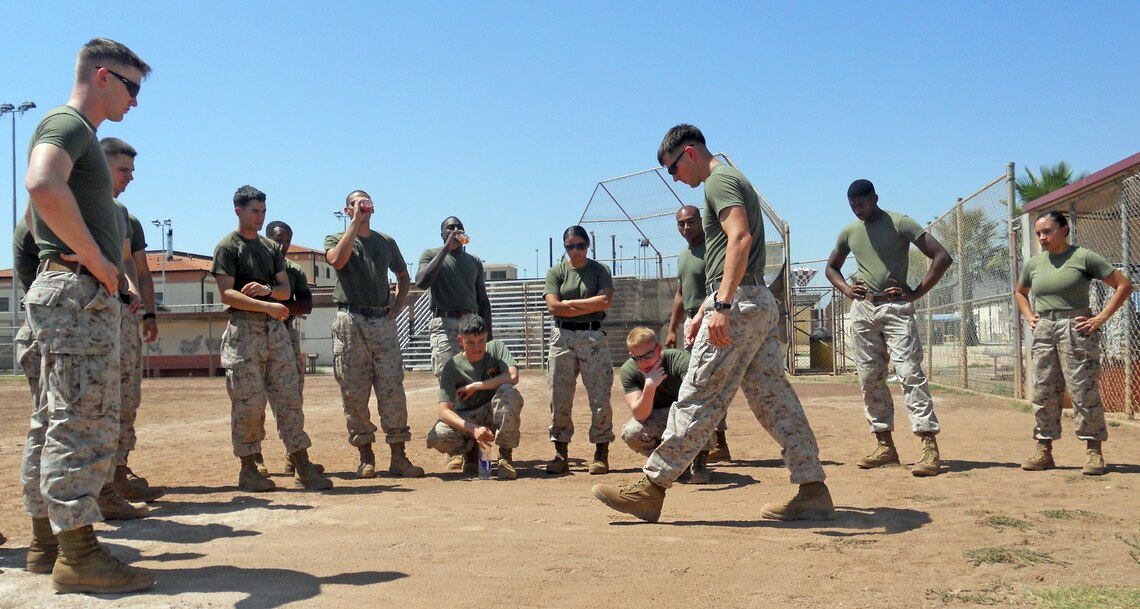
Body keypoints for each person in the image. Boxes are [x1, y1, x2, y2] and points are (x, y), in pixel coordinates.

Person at [592, 124, 833, 523]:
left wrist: (721, 305)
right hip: (753, 302)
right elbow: (728, 257)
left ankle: (651, 488)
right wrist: (707, 306)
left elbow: (739, 239)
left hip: (737, 307)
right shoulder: (731, 179)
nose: (674, 178)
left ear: (689, 153)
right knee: (774, 398)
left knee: (698, 393)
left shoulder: (717, 181)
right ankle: (813, 487)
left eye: (672, 168)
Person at [20, 37, 154, 593]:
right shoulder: (70, 124)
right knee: (82, 421)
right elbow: (41, 185)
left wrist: (80, 259)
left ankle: (45, 542)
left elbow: (38, 208)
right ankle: (77, 554)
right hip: (76, 296)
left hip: (70, 291)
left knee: (53, 420)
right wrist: (99, 262)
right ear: (103, 76)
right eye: (132, 87)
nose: (136, 101)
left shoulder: (81, 134)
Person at [825, 179, 952, 477]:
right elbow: (831, 267)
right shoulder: (850, 232)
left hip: (895, 308)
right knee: (870, 378)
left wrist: (916, 292)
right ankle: (885, 446)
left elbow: (942, 256)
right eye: (853, 206)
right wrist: (846, 289)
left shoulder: (900, 223)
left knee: (909, 374)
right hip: (863, 310)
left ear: (875, 198)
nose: (858, 210)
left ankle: (929, 448)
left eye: (862, 204)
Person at [212, 185, 332, 493]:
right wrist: (269, 305)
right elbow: (227, 294)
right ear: (238, 211)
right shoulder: (228, 247)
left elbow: (282, 289)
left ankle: (301, 464)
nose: (259, 216)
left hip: (275, 332)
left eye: (263, 211)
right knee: (248, 404)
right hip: (243, 332)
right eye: (255, 211)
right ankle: (249, 467)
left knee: (289, 399)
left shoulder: (268, 249)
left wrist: (268, 293)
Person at [1015, 211, 1133, 475]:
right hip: (1045, 328)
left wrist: (1101, 318)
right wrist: (1029, 316)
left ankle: (1094, 452)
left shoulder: (1084, 257)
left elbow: (1124, 285)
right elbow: (1020, 292)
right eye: (1038, 233)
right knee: (1044, 389)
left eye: (1047, 231)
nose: (1042, 238)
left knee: (1083, 389)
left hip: (1076, 327)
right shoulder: (1034, 264)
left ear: (1064, 230)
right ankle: (1044, 450)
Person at [325, 189, 424, 479]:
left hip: (382, 321)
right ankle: (366, 456)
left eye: (366, 202)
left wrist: (398, 303)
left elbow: (404, 276)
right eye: (356, 204)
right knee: (354, 391)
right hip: (350, 320)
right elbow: (337, 261)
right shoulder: (336, 238)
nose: (363, 207)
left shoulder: (385, 242)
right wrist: (354, 224)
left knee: (392, 388)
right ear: (347, 210)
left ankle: (398, 456)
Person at [101, 136, 164, 504]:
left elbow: (135, 267)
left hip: (121, 316)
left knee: (126, 397)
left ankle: (118, 472)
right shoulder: (70, 202)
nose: (131, 177)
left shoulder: (124, 216)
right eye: (123, 169)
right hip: (83, 313)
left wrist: (148, 312)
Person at [543, 225, 616, 475]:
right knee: (559, 396)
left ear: (588, 245)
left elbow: (605, 301)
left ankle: (601, 452)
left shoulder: (599, 270)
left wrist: (570, 303)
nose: (575, 251)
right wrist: (588, 305)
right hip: (562, 336)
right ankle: (560, 452)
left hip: (592, 335)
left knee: (599, 396)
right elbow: (553, 307)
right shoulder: (557, 272)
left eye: (580, 245)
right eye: (570, 247)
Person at [665, 204, 731, 463]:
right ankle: (717, 443)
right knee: (697, 381)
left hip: (713, 317)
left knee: (710, 381)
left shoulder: (715, 248)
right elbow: (681, 295)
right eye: (681, 224)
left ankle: (719, 442)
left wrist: (708, 316)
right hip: (692, 321)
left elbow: (723, 285)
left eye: (691, 222)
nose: (686, 228)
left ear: (701, 221)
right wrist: (672, 329)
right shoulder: (684, 255)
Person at [426, 314, 523, 479]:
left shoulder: (496, 348)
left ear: (486, 337)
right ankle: (470, 451)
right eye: (470, 342)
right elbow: (444, 411)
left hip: (492, 412)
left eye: (481, 341)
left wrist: (476, 386)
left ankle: (505, 456)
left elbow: (513, 376)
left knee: (508, 392)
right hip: (468, 417)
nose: (477, 348)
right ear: (460, 340)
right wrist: (472, 429)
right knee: (437, 435)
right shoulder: (452, 366)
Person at [620, 327, 712, 483]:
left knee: (705, 412)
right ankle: (666, 461)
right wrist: (650, 385)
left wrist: (676, 429)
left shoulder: (680, 361)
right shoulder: (629, 370)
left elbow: (698, 400)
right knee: (632, 433)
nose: (644, 362)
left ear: (659, 349)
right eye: (638, 358)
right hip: (657, 418)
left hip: (685, 413)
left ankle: (698, 459)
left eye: (648, 355)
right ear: (631, 356)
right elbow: (640, 415)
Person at [266, 220, 319, 476]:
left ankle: (292, 455)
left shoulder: (294, 270)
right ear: (267, 239)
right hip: (255, 336)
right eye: (278, 239)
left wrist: (281, 310)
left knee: (293, 396)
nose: (283, 244)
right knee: (253, 400)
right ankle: (254, 460)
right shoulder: (256, 266)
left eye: (287, 240)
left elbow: (306, 304)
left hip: (285, 335)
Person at [415, 216, 492, 377]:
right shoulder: (430, 254)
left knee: (475, 377)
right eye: (450, 228)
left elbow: (483, 301)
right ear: (442, 234)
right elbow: (422, 282)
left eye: (459, 227)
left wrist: (488, 337)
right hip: (444, 323)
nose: (455, 230)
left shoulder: (474, 261)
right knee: (448, 377)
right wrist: (446, 249)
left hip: (471, 324)